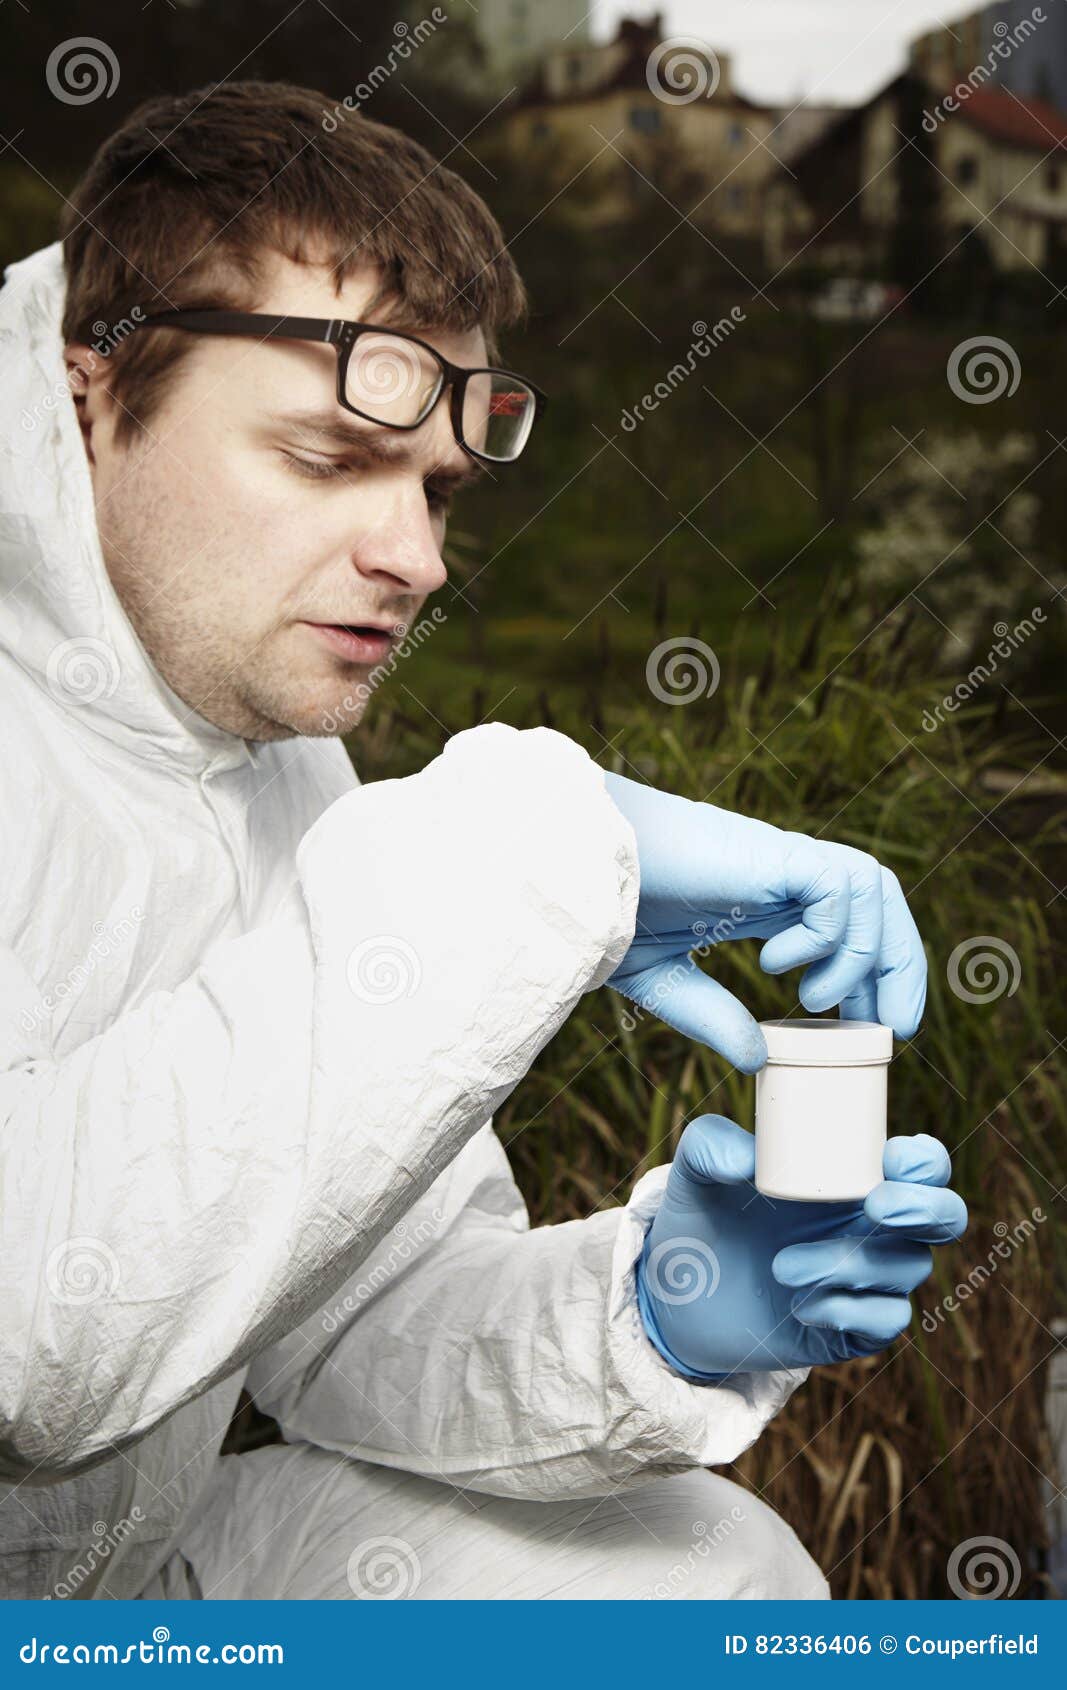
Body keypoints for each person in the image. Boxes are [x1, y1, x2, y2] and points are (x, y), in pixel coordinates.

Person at [0, 81, 965, 1602]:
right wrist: (540, 845)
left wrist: (660, 1306)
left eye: (439, 487)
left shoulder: (275, 741)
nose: (420, 558)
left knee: (704, 1579)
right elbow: (35, 1335)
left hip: (128, 1593)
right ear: (93, 392)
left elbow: (352, 1308)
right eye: (329, 458)